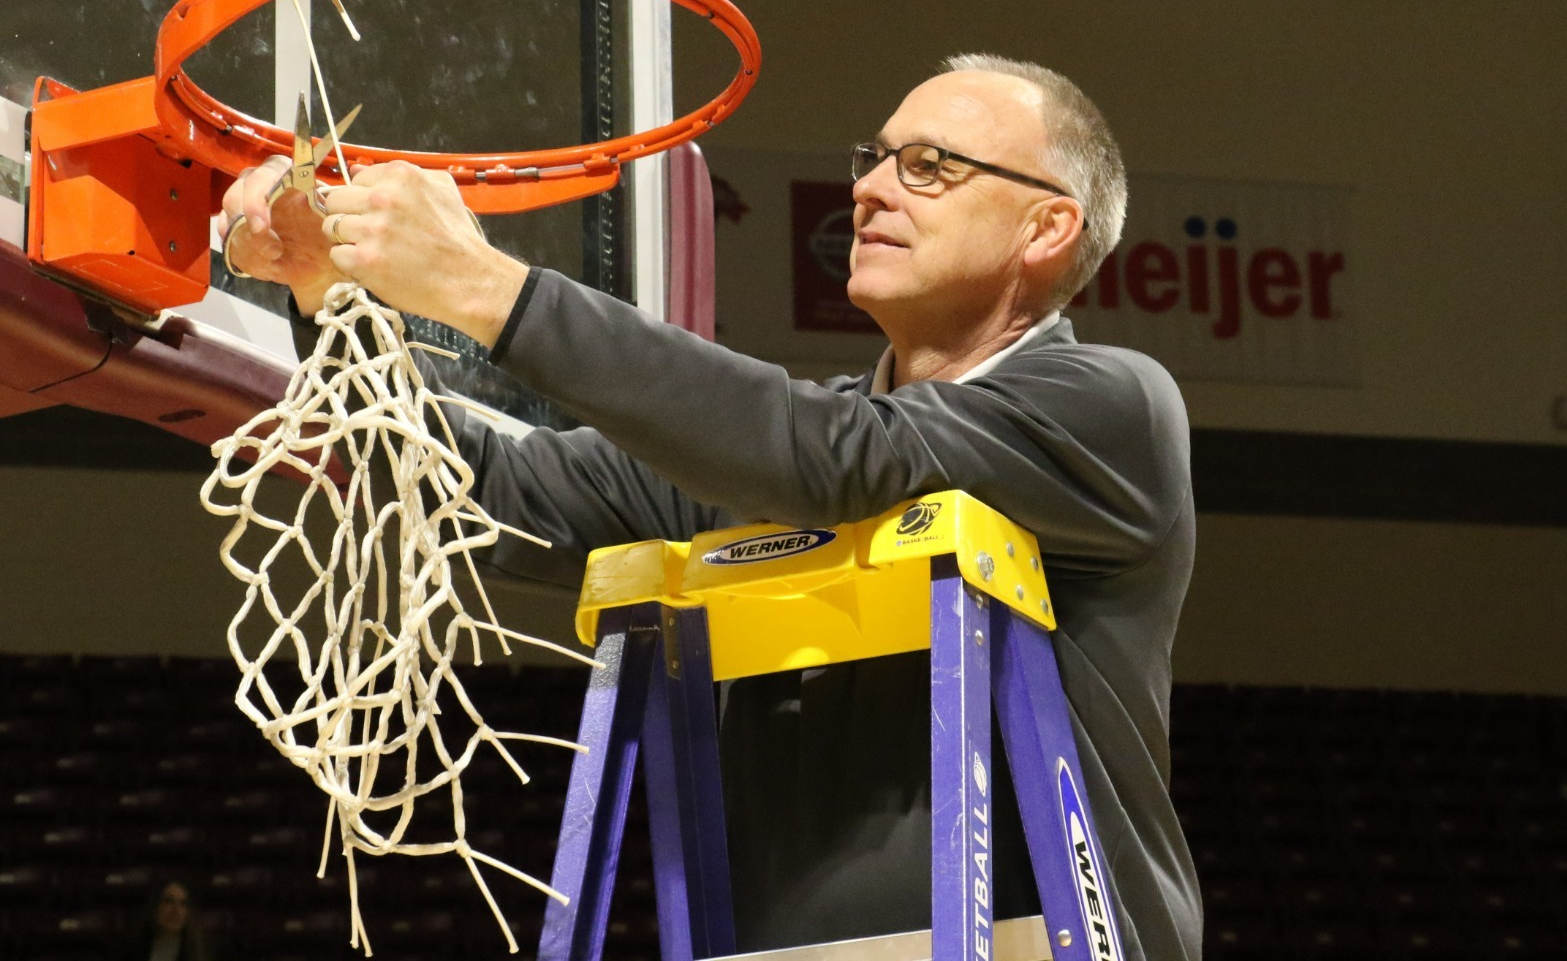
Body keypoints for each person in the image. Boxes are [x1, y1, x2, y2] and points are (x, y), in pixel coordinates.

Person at [217, 54, 1200, 958]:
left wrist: (486, 286)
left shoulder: (1109, 407)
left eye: (930, 166)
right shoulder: (769, 455)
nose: (866, 188)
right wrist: (329, 298)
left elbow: (837, 462)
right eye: (874, 159)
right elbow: (485, 498)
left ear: (1046, 226)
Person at [132, 881, 213, 961]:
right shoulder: (137, 946)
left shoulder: (199, 950)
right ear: (155, 907)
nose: (177, 911)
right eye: (169, 902)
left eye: (183, 904)